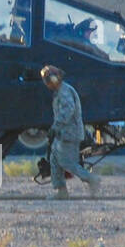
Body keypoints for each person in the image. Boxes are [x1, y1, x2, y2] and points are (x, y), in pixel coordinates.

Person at [41, 64, 98, 199]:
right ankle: (61, 192)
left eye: (48, 80)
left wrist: (55, 127)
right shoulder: (60, 92)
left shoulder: (64, 92)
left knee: (67, 162)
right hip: (63, 133)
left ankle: (91, 179)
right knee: (54, 160)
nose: (47, 84)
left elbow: (67, 111)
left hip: (70, 134)